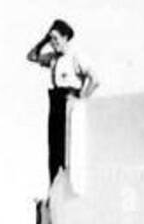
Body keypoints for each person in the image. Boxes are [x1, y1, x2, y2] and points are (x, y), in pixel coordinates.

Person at [26, 19, 98, 182]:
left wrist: (82, 98)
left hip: (70, 102)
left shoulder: (76, 57)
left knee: (69, 151)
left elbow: (95, 79)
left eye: (56, 38)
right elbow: (31, 56)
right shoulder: (53, 58)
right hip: (55, 104)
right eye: (50, 39)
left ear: (65, 38)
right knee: (54, 153)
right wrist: (45, 39)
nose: (53, 43)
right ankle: (54, 188)